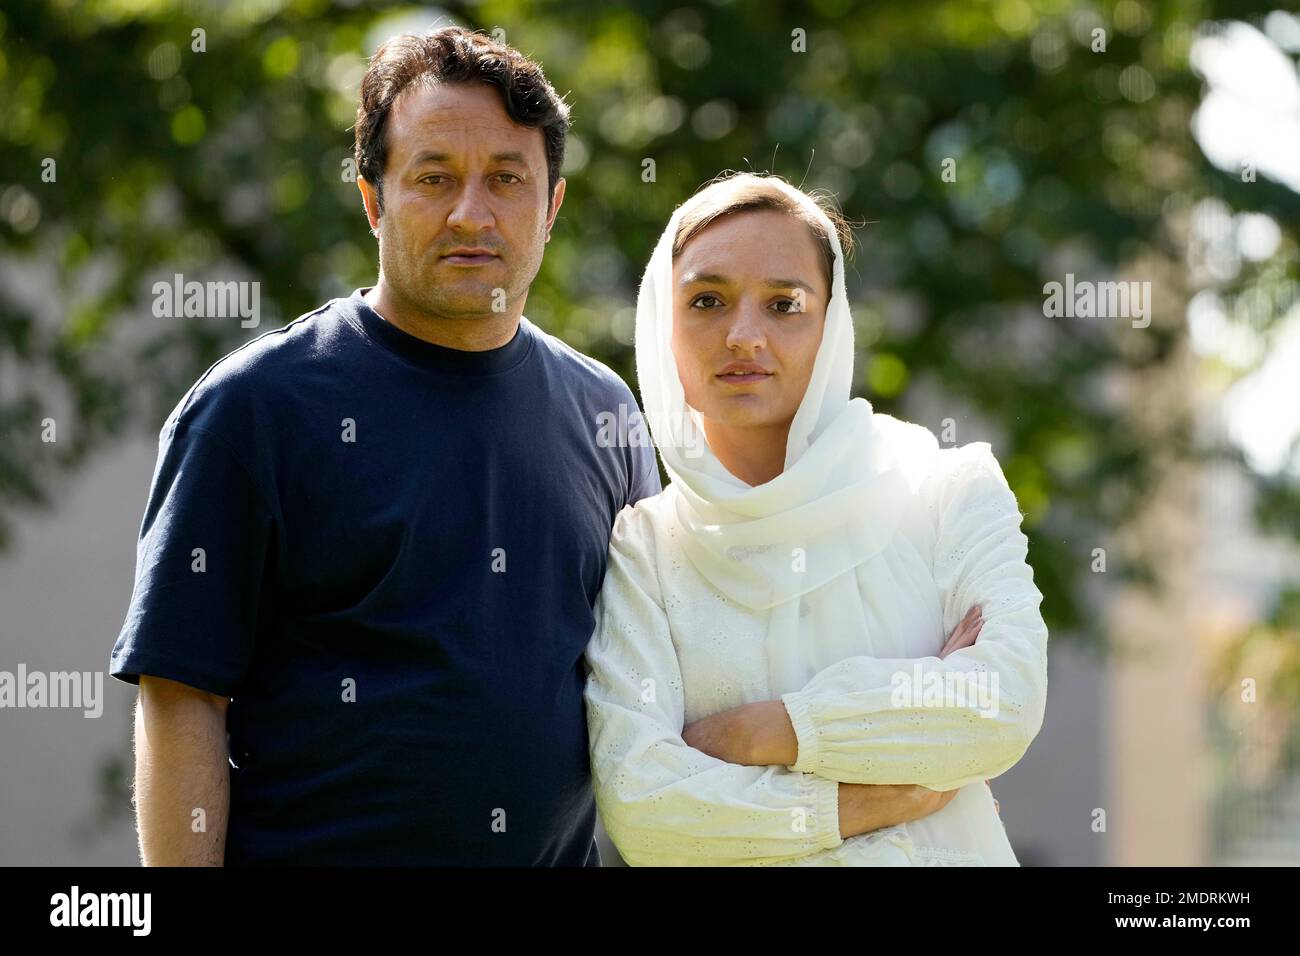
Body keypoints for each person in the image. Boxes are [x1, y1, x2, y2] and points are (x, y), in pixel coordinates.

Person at [109, 27, 660, 865]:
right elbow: (182, 696)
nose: (472, 213)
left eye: (507, 180)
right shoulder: (254, 409)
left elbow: (663, 671)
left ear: (550, 208)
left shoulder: (606, 414)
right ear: (373, 200)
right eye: (434, 177)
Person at [583, 172, 1049, 865]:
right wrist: (870, 794)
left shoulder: (947, 489)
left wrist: (764, 732)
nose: (744, 335)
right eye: (707, 300)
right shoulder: (644, 550)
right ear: (662, 326)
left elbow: (1004, 705)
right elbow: (644, 808)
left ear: (832, 325)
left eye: (784, 304)